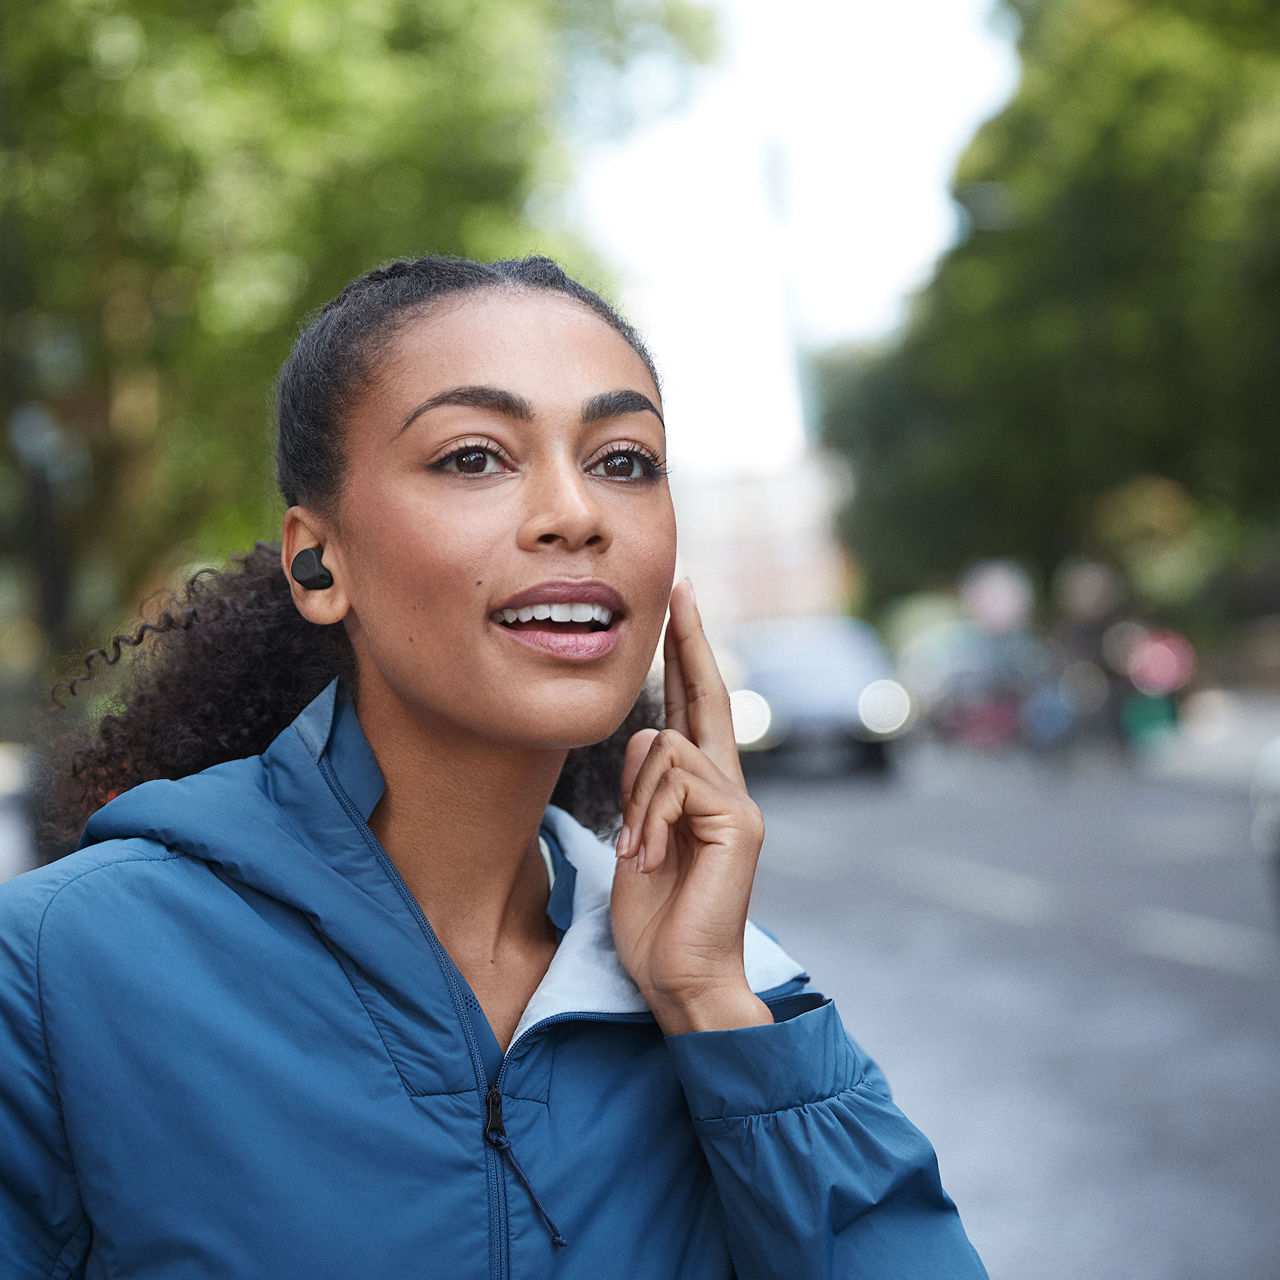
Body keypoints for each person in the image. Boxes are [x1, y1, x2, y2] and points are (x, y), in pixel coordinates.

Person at [0, 255, 988, 1278]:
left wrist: (711, 1009)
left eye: (623, 460)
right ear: (317, 560)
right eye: (474, 457)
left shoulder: (723, 992)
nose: (577, 512)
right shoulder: (56, 969)